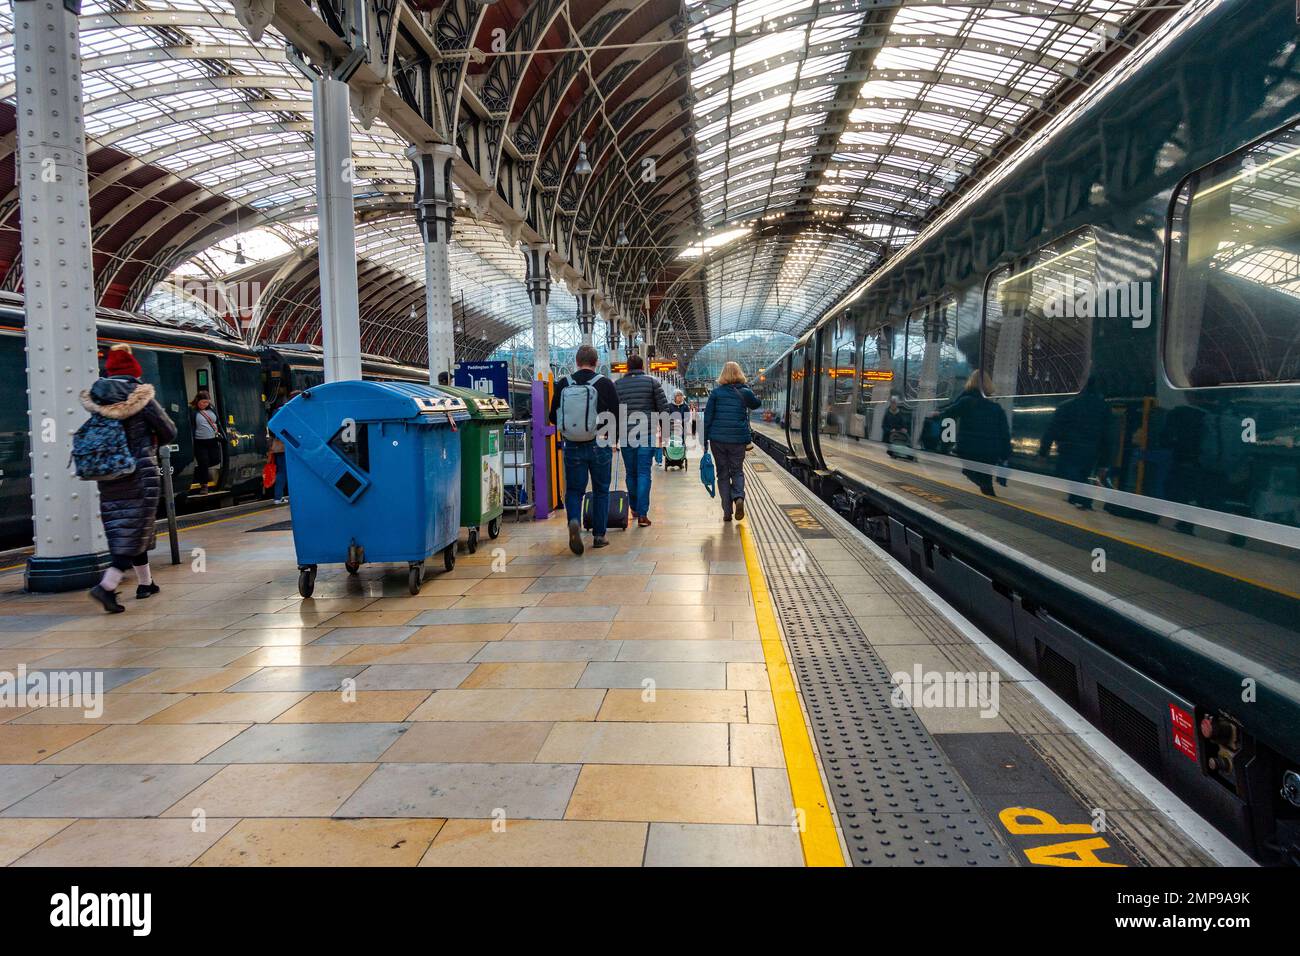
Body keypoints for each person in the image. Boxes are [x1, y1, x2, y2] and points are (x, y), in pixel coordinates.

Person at [83, 344, 177, 613]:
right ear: (134, 371)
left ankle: (146, 583)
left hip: (109, 473)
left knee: (129, 527)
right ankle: (107, 586)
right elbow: (169, 430)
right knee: (135, 530)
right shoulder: (141, 397)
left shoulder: (98, 399)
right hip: (140, 471)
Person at [549, 344, 619, 554]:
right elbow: (615, 415)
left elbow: (552, 417)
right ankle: (599, 536)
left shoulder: (563, 384)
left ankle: (573, 521)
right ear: (596, 362)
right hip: (600, 443)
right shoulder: (605, 383)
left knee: (574, 490)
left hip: (572, 444)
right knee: (601, 490)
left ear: (577, 362)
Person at [931, 370, 1010, 497]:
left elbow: (949, 414)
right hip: (991, 452)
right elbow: (1005, 433)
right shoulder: (997, 408)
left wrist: (935, 415)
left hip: (970, 449)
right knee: (986, 482)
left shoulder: (967, 401)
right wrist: (1005, 455)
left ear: (971, 382)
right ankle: (993, 505)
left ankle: (990, 500)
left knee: (970, 472)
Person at [1038, 375, 1112, 509]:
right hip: (1091, 451)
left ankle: (1082, 498)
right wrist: (1105, 463)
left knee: (1071, 473)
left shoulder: (1067, 406)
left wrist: (1043, 451)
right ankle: (1077, 499)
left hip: (1069, 449)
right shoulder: (1104, 409)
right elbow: (1108, 437)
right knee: (1082, 475)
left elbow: (1052, 429)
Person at [703, 361, 761, 522]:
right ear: (739, 374)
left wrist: (704, 441)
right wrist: (755, 396)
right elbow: (756, 405)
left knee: (722, 474)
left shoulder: (716, 393)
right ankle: (738, 497)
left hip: (718, 439)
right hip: (738, 439)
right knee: (737, 471)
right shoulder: (745, 392)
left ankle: (727, 512)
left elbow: (707, 418)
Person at [614, 354, 667, 526]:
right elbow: (663, 409)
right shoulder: (652, 382)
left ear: (627, 367)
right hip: (647, 433)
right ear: (642, 366)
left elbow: (613, 413)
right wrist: (665, 435)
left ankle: (635, 508)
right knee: (644, 472)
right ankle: (643, 515)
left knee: (631, 473)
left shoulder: (618, 385)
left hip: (625, 435)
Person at [191, 390, 223, 491]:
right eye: (203, 402)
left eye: (207, 402)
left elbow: (218, 422)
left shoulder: (212, 409)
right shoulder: (192, 411)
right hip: (200, 442)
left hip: (213, 440)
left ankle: (199, 470)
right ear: (197, 401)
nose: (205, 404)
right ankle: (204, 486)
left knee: (216, 459)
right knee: (204, 462)